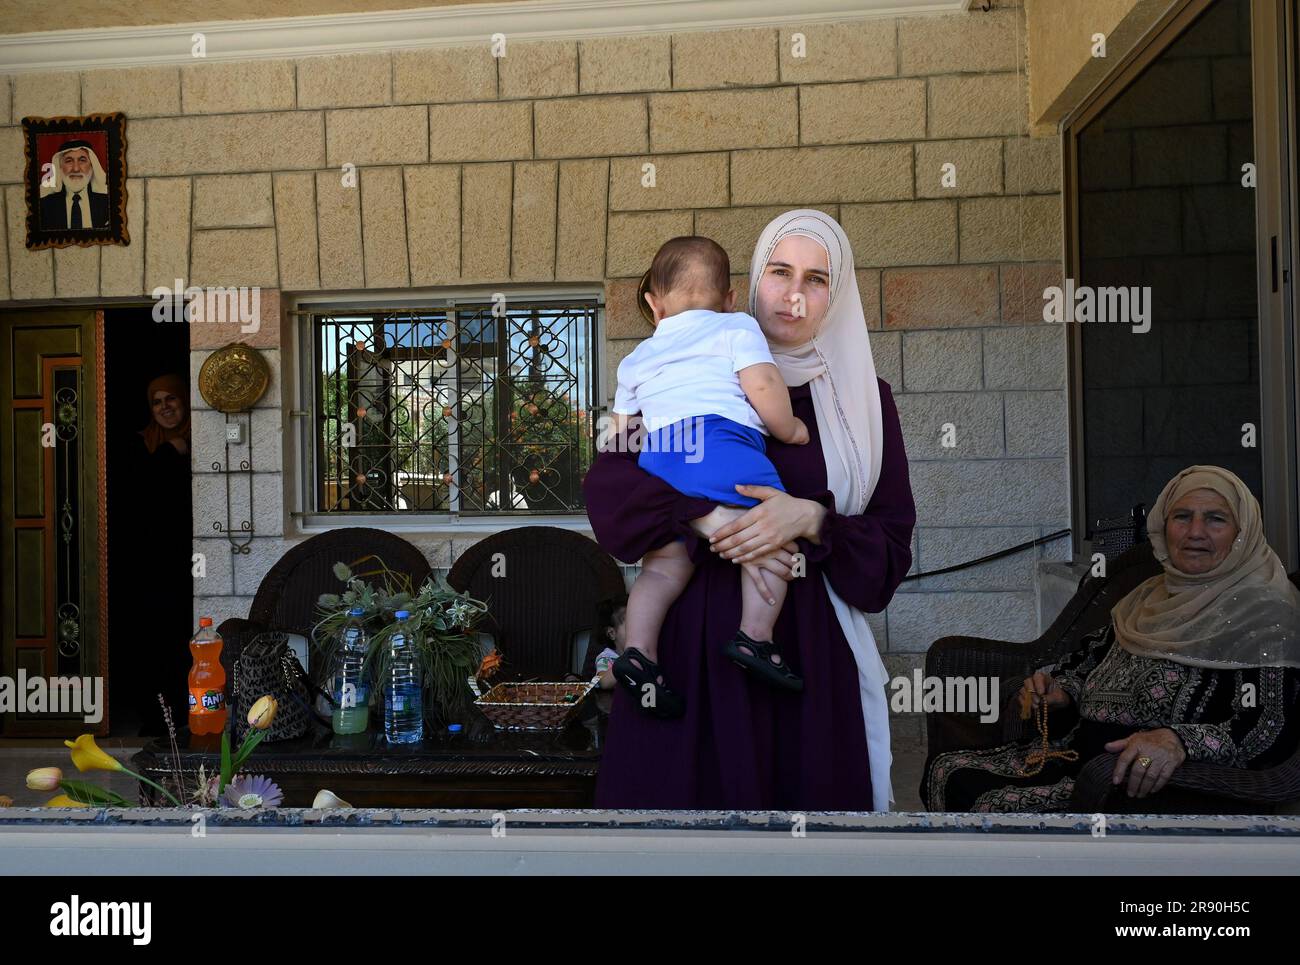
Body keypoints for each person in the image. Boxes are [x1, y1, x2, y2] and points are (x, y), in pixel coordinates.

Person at [584, 209, 915, 810]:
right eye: (780, 272)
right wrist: (698, 514)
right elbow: (608, 488)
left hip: (805, 661)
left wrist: (811, 519)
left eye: (816, 280)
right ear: (749, 286)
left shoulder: (867, 403)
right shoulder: (677, 374)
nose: (794, 295)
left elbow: (889, 552)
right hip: (687, 657)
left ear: (835, 296)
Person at [922, 466, 1300, 812]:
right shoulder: (1150, 594)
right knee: (948, 770)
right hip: (1077, 754)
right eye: (1182, 517)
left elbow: (1269, 726)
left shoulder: (1263, 612)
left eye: (1215, 519)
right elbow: (1088, 659)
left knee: (991, 802)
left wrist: (1177, 742)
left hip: (1139, 782)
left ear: (1242, 533)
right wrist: (1061, 690)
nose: (1195, 532)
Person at [610, 236, 811, 718]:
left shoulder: (636, 358)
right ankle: (756, 637)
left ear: (655, 305)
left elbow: (618, 435)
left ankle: (638, 650)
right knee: (769, 536)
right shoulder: (736, 327)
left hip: (659, 459)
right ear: (729, 299)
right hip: (719, 447)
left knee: (663, 564)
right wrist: (791, 429)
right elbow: (761, 384)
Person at [123, 375, 193, 736]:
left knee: (183, 637)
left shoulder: (199, 440)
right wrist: (170, 451)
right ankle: (155, 720)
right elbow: (140, 497)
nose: (165, 407)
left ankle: (184, 717)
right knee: (151, 640)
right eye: (156, 401)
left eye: (172, 400)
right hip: (147, 562)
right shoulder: (142, 445)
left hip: (186, 559)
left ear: (184, 400)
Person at [38, 140, 111, 231]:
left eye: (82, 160)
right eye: (69, 161)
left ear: (92, 166)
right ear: (60, 168)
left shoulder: (108, 201)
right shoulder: (45, 205)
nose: (76, 169)